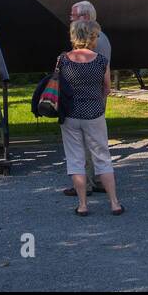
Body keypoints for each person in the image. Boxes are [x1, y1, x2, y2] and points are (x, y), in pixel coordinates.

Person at [58, 19, 123, 217]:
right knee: (102, 157)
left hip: (69, 114)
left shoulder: (62, 59)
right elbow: (107, 89)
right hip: (94, 113)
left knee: (75, 159)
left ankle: (83, 205)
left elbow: (57, 84)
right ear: (91, 37)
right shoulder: (102, 61)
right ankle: (114, 204)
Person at [63, 0, 111, 196]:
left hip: (86, 101)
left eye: (73, 16)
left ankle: (87, 184)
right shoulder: (101, 38)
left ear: (84, 17)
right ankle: (98, 181)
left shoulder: (94, 42)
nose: (70, 19)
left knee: (84, 144)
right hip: (95, 99)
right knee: (97, 143)